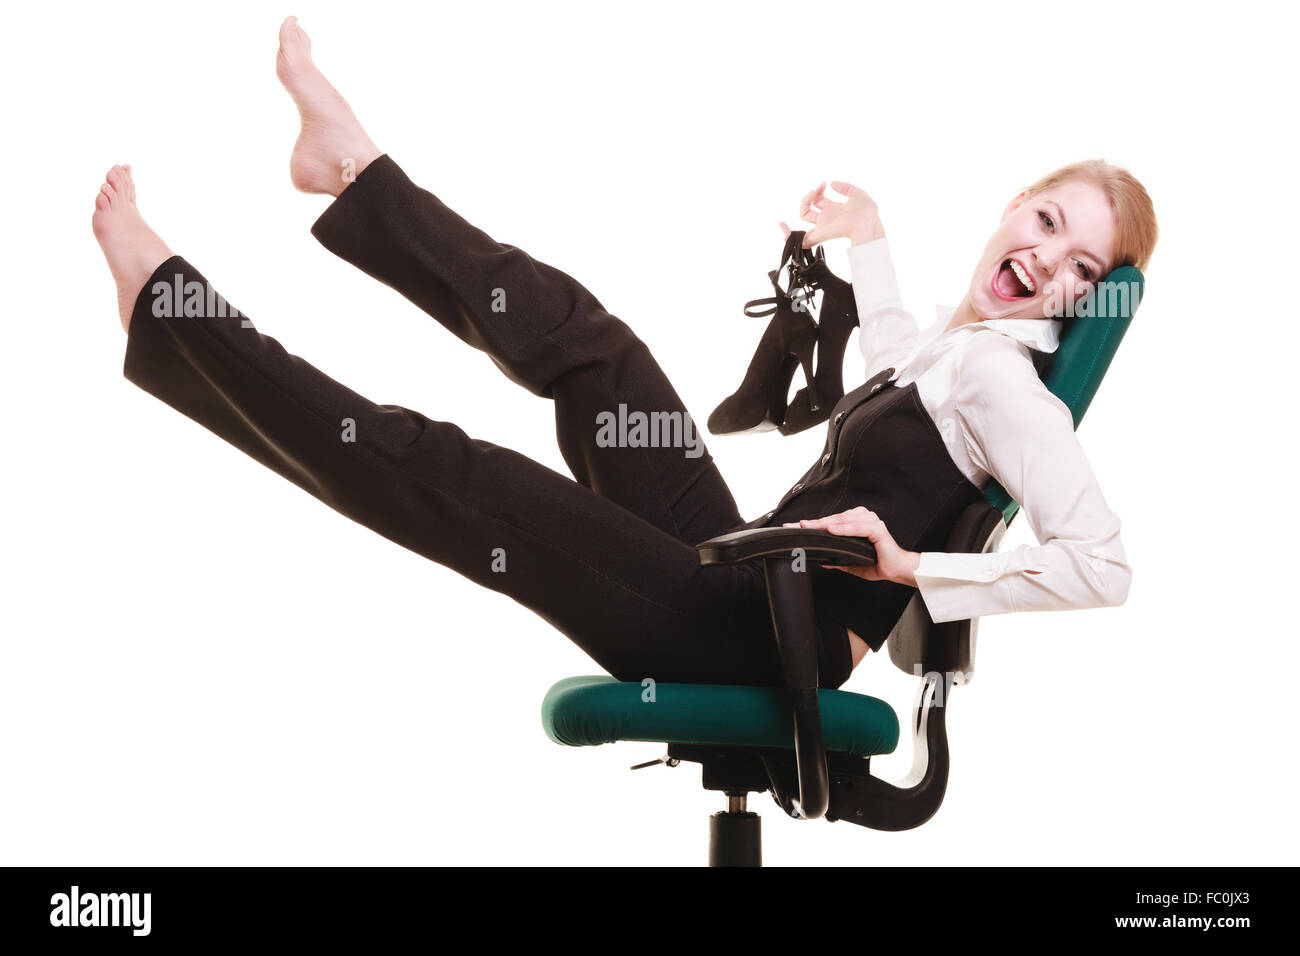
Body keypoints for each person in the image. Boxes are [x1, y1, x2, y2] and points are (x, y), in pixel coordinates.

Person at [91, 17, 1156, 692]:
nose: (1046, 255)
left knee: (461, 477)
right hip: (743, 567)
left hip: (758, 645)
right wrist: (870, 235)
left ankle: (167, 310)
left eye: (1078, 264)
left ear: (1083, 299)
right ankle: (353, 169)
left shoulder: (1011, 388)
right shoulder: (959, 354)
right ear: (1015, 204)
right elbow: (898, 358)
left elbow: (1101, 566)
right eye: (1049, 219)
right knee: (601, 354)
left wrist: (917, 569)